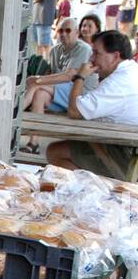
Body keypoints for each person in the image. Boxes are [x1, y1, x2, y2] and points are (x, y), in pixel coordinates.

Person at [46, 30, 138, 180]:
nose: (92, 59)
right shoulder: (130, 70)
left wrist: (79, 76)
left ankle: (94, 191)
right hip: (121, 143)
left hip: (126, 155)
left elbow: (74, 111)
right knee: (75, 143)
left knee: (55, 152)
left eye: (96, 53)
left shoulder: (117, 83)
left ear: (115, 56)